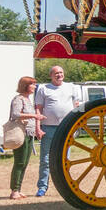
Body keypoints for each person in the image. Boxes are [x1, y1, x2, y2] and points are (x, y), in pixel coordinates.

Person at [34, 65, 81, 197]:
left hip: (66, 128)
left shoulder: (71, 87)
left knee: (65, 159)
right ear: (51, 75)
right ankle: (42, 187)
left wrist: (77, 125)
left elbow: (76, 107)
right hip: (48, 128)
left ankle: (66, 188)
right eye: (56, 73)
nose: (59, 75)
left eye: (61, 72)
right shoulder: (44, 89)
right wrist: (38, 127)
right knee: (45, 160)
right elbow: (38, 109)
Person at [7, 77, 43, 200]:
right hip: (21, 133)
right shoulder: (19, 99)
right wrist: (34, 115)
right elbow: (15, 114)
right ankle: (14, 190)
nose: (35, 86)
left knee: (25, 163)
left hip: (29, 134)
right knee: (19, 162)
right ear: (26, 85)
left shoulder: (28, 100)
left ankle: (18, 189)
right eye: (32, 84)